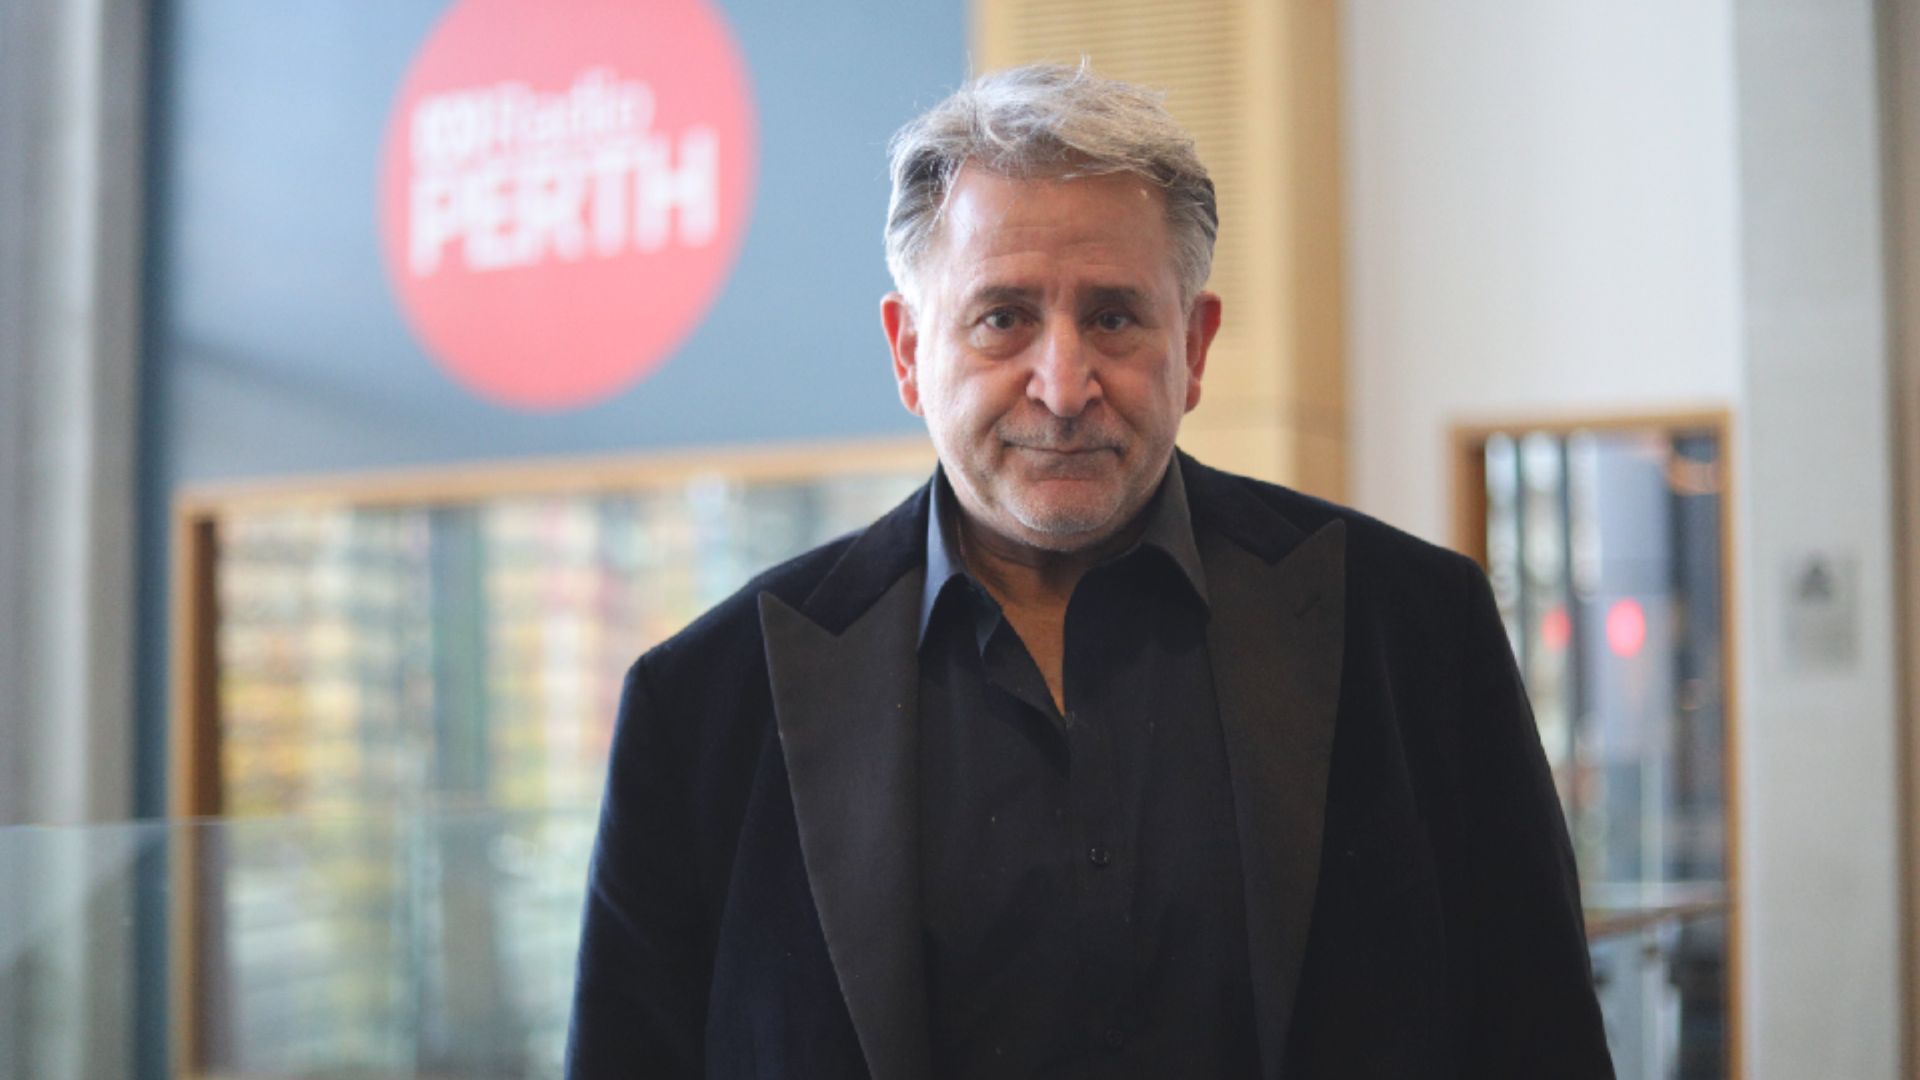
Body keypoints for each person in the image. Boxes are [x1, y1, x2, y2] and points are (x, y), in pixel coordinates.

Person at [566, 63, 1614, 1079]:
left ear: (1194, 346)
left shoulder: (1417, 633)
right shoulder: (707, 706)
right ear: (908, 351)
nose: (1063, 387)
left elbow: (1541, 1041)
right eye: (1003, 318)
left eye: (1113, 317)